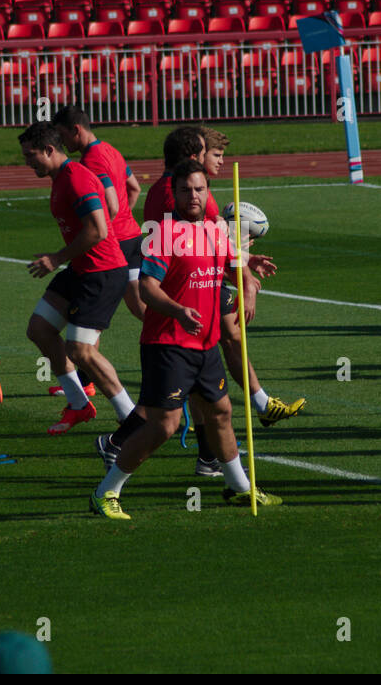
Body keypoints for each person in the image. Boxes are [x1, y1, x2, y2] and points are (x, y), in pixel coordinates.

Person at [89, 160, 282, 520]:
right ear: (173, 194)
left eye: (199, 189)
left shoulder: (215, 230)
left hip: (206, 346)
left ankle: (239, 489)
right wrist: (177, 310)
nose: (193, 196)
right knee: (165, 425)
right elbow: (148, 287)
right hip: (169, 344)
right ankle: (106, 492)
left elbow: (229, 260)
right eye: (185, 190)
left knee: (222, 412)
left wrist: (249, 268)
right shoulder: (164, 234)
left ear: (207, 192)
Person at [19, 122, 133, 435]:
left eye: (31, 155)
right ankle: (79, 404)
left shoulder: (76, 178)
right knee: (40, 329)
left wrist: (57, 258)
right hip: (82, 269)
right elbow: (107, 208)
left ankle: (132, 417)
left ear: (49, 150)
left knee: (81, 350)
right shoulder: (60, 178)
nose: (28, 162)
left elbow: (98, 229)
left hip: (103, 273)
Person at [198, 127, 303, 461]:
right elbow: (205, 241)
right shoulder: (190, 190)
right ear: (199, 154)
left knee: (228, 340)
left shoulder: (199, 188)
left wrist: (243, 259)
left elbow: (216, 243)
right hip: (192, 282)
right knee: (174, 398)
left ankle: (215, 450)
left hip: (205, 277)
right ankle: (120, 439)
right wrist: (246, 282)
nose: (222, 161)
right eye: (216, 155)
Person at [52, 104, 145, 323]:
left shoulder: (90, 161)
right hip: (133, 236)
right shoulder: (111, 150)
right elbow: (135, 188)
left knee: (92, 308)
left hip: (117, 243)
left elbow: (111, 205)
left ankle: (87, 352)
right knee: (139, 305)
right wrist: (123, 218)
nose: (62, 143)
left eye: (63, 135)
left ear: (76, 130)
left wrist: (105, 229)